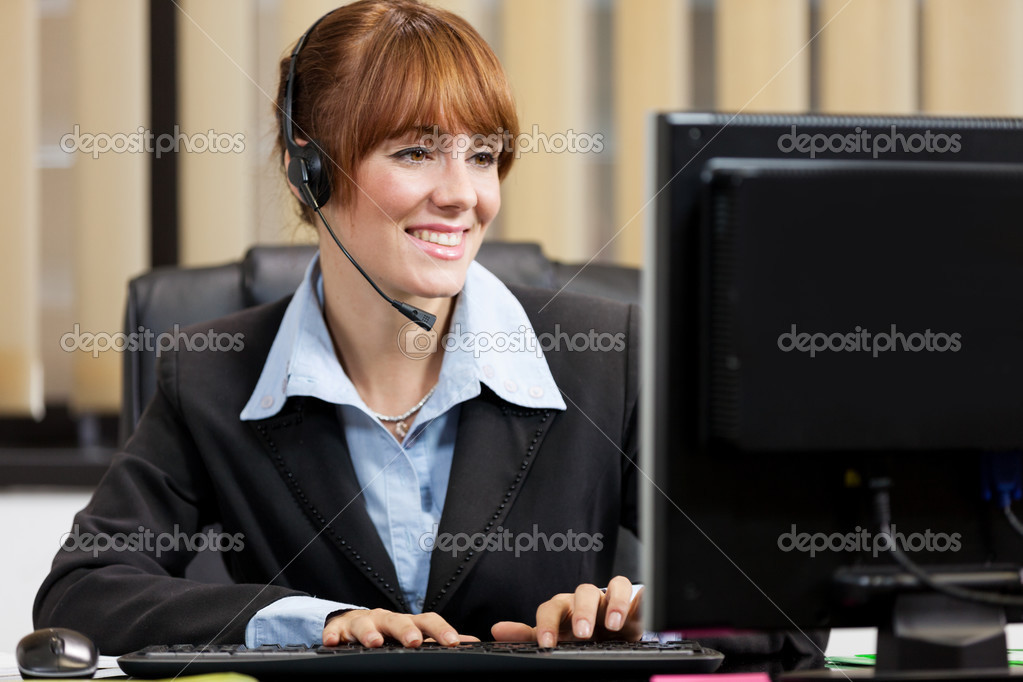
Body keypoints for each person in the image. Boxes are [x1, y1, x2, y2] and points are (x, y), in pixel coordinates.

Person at [34, 0, 642, 655]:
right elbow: (81, 594)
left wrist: (639, 614)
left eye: (484, 154)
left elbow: (753, 591)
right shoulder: (212, 374)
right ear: (309, 172)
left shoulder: (606, 356)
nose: (463, 194)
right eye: (415, 151)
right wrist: (311, 622)